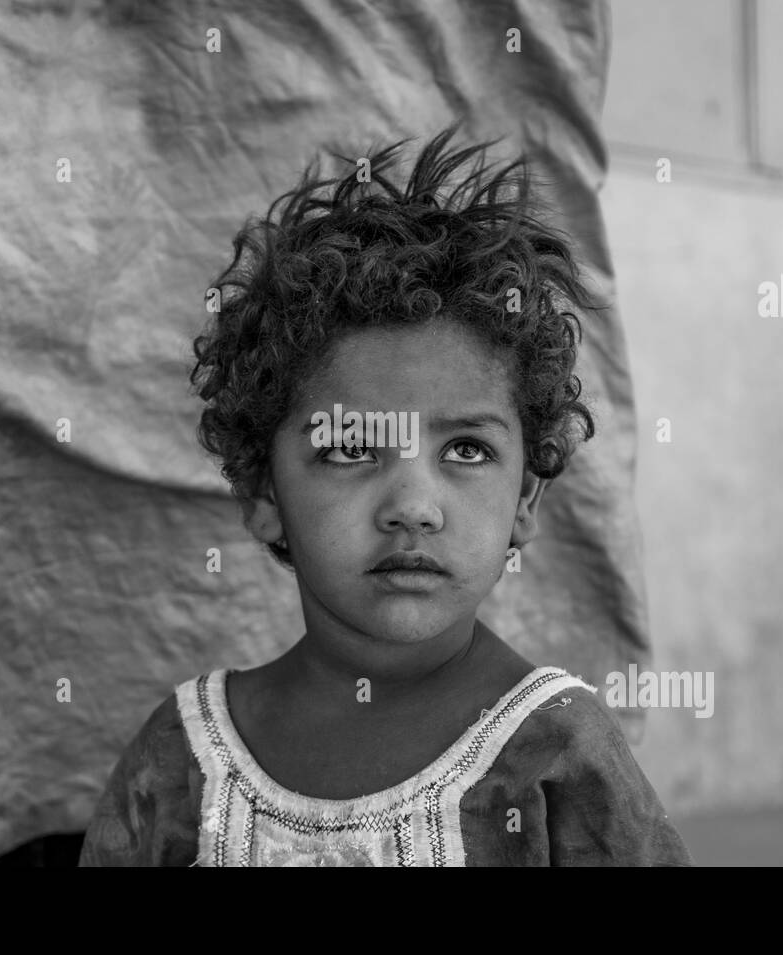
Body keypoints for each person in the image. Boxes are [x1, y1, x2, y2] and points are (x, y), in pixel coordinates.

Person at [79, 122, 692, 866]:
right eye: (350, 448)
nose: (413, 504)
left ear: (525, 499)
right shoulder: (180, 757)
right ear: (262, 491)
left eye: (466, 449)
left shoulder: (557, 750)